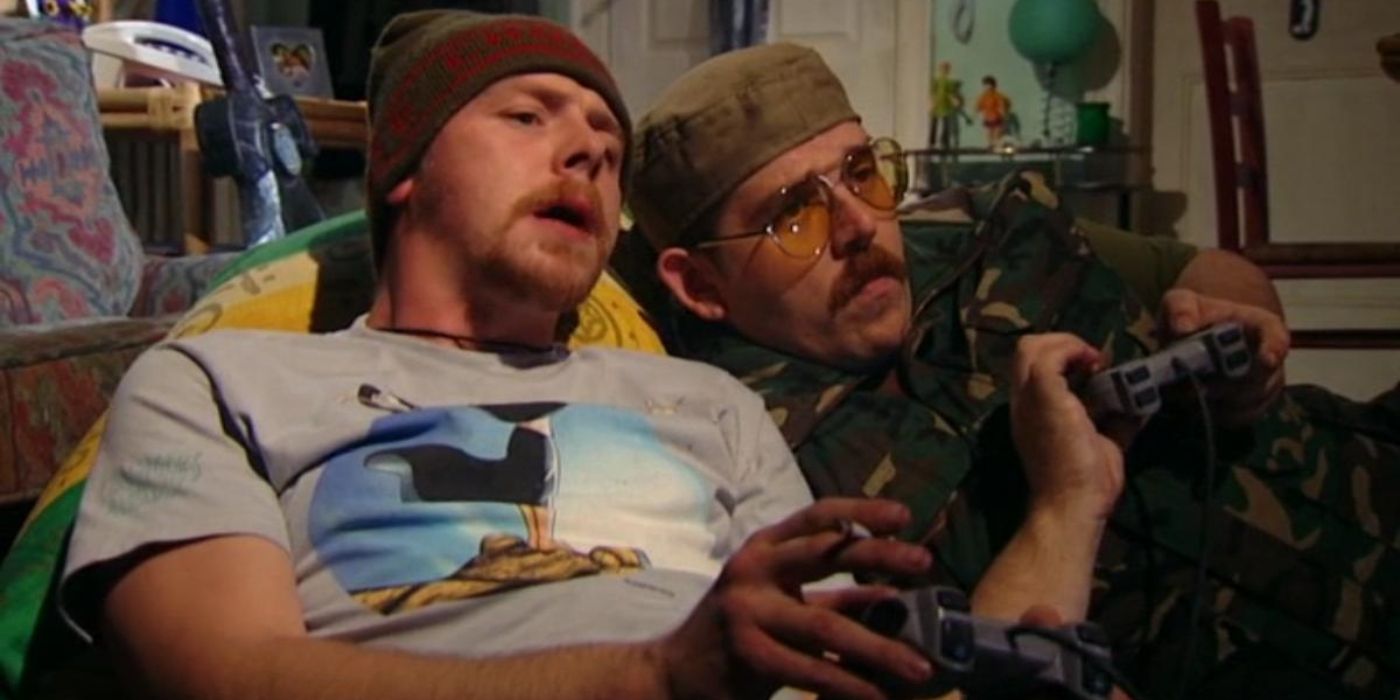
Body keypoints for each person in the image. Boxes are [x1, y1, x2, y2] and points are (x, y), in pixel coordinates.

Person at [56, 13, 1105, 700]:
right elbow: (229, 674)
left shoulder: (704, 401)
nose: (586, 153)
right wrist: (654, 676)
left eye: (607, 146)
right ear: (405, 172)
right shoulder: (226, 380)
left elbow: (830, 654)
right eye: (527, 116)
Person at [627, 42, 1399, 699]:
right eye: (795, 213)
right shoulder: (748, 465)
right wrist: (1063, 502)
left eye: (862, 172)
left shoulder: (988, 221)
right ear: (700, 285)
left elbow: (1206, 268)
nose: (861, 225)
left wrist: (1237, 331)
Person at [974, 75, 1011, 148]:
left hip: (996, 117)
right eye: (985, 85)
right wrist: (975, 114)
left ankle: (997, 144)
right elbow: (978, 106)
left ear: (993, 85)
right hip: (987, 117)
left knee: (997, 133)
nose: (987, 87)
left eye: (989, 85)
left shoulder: (997, 95)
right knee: (989, 132)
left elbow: (1002, 106)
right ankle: (990, 145)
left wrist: (1004, 115)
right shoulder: (983, 96)